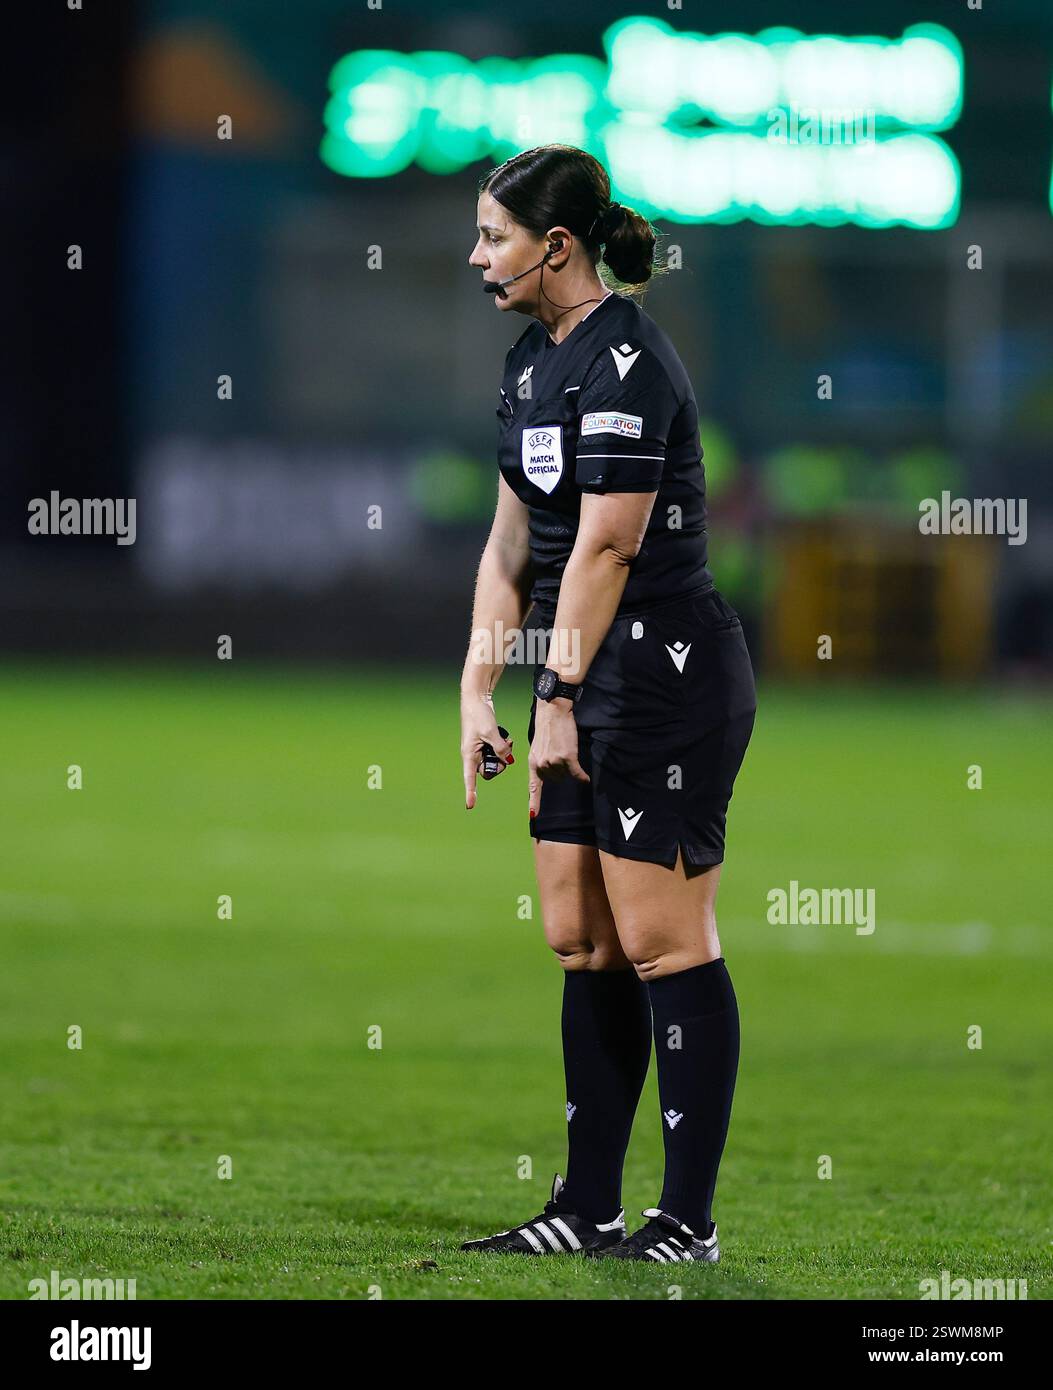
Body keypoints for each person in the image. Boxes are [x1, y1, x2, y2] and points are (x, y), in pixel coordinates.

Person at [458, 144, 756, 1264]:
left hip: (664, 678)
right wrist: (479, 683)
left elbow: (609, 544)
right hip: (579, 676)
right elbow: (512, 545)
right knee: (582, 941)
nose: (479, 254)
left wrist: (561, 694)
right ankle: (586, 1205)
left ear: (558, 246)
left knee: (664, 943)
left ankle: (688, 1221)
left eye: (494, 235)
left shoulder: (629, 361)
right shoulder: (531, 362)